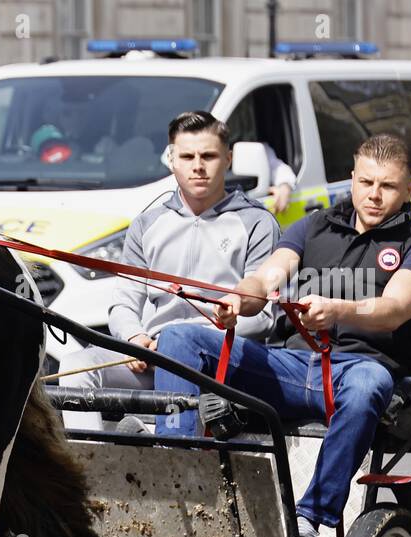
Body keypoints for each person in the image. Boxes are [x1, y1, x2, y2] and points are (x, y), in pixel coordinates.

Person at [153, 133, 411, 537]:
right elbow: (267, 278)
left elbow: (394, 309)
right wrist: (239, 300)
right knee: (179, 338)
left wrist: (337, 311)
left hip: (356, 372)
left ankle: (310, 520)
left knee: (370, 382)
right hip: (292, 364)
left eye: (387, 186)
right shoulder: (315, 225)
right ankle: (177, 471)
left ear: (408, 189)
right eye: (366, 182)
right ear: (351, 178)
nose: (374, 195)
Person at [57, 111, 280, 429]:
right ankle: (89, 465)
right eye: (187, 156)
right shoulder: (148, 223)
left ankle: (151, 438)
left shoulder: (258, 222)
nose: (198, 166)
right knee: (75, 367)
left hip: (225, 365)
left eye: (209, 156)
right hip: (153, 359)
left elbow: (263, 318)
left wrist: (184, 342)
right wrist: (134, 337)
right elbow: (123, 302)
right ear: (172, 159)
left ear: (228, 159)